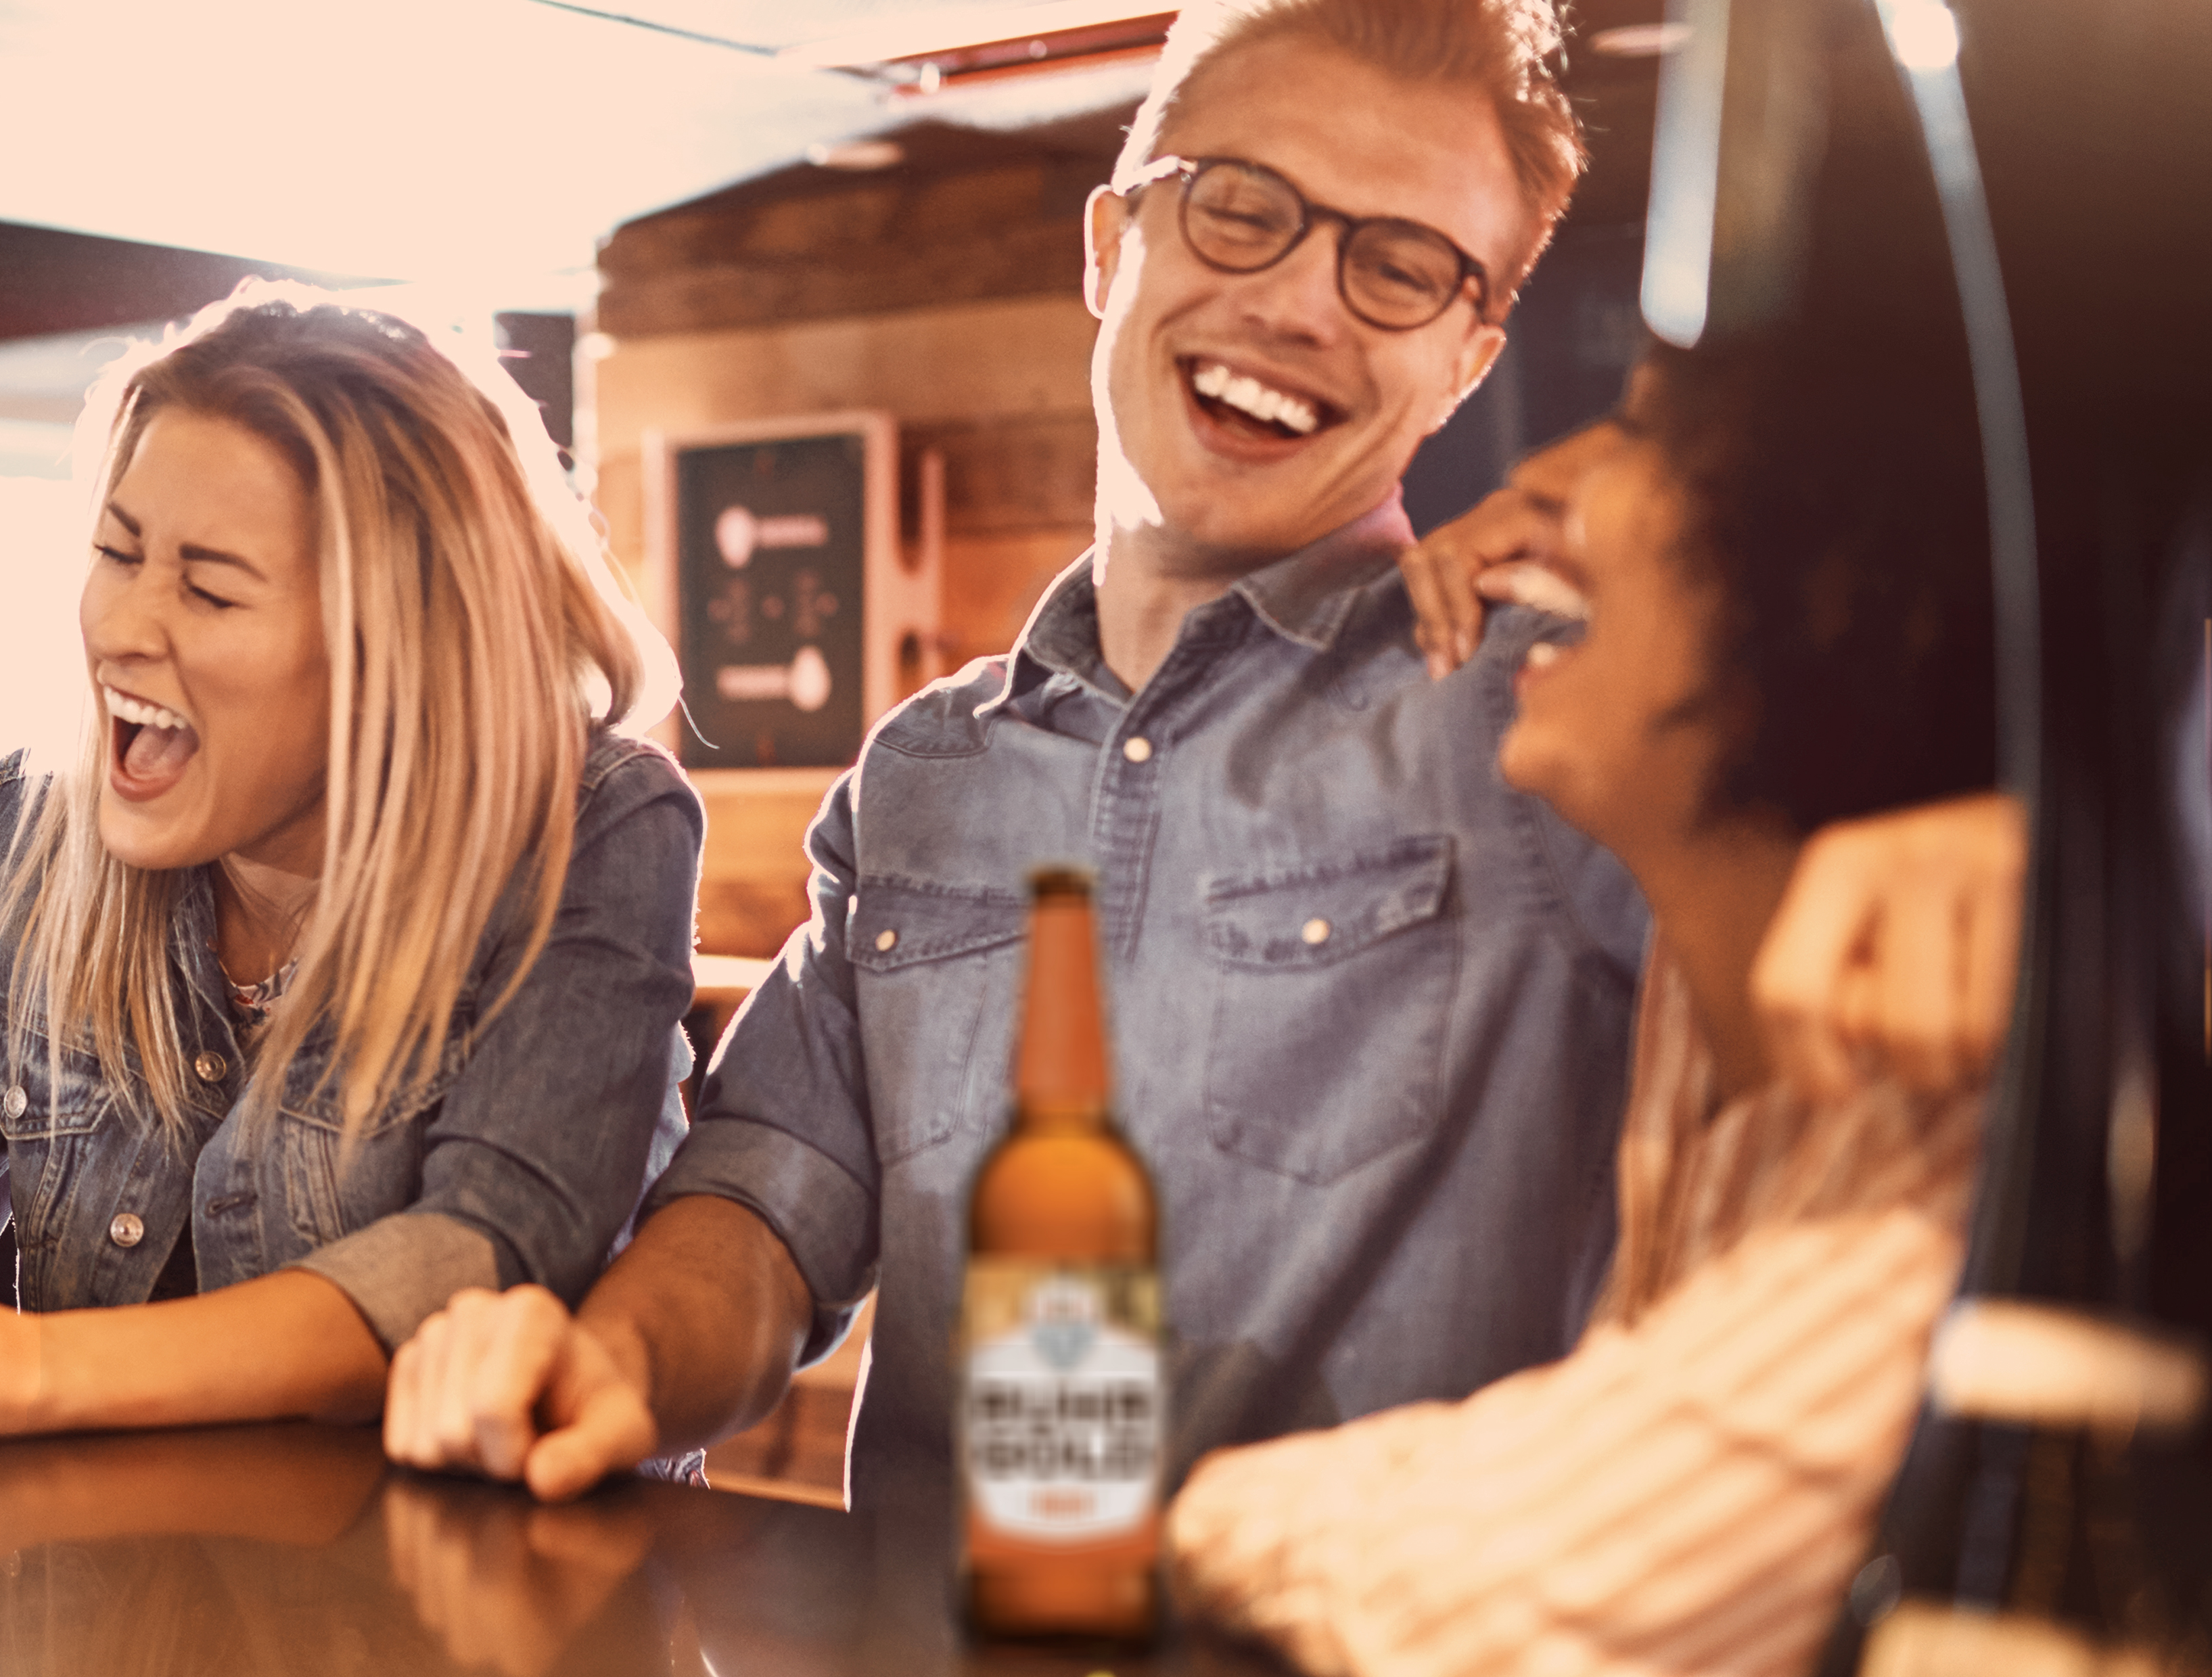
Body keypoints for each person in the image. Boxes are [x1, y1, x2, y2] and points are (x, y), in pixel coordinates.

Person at [390, 0, 1642, 1502]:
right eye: (1240, 211)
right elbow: (768, 1202)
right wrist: (617, 1366)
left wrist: (1707, 522)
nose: (1304, 305)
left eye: (1396, 267)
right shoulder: (924, 773)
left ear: (1463, 359)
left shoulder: (1555, 713)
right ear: (1110, 246)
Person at [0, 286, 701, 1442]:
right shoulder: (28, 830)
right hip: (98, 1605)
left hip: (467, 1601)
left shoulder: (590, 829)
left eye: (210, 588)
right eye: (117, 555)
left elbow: (490, 1251)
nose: (121, 628)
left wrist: (25, 1367)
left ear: (397, 645)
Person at [1165, 233, 2006, 1677]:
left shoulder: (1950, 1133)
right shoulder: (1707, 1000)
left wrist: (1199, 1510)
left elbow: (1489, 1592)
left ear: (1829, 587)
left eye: (1641, 438)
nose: (1535, 483)